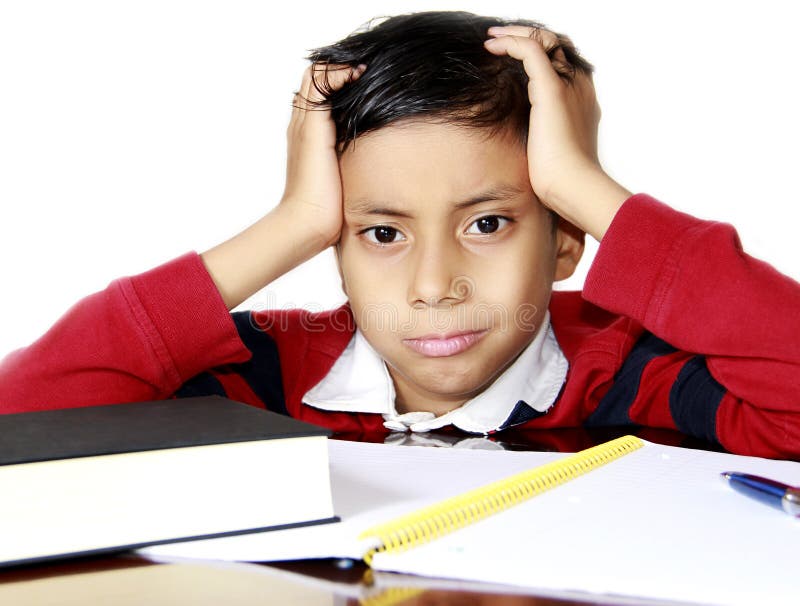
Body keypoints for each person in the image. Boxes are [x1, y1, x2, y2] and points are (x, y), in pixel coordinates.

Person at [1, 10, 798, 459]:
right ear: (333, 246)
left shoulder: (638, 376)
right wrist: (291, 223)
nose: (431, 286)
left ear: (566, 238)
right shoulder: (263, 378)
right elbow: (22, 422)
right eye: (381, 233)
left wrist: (585, 187)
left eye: (487, 223)